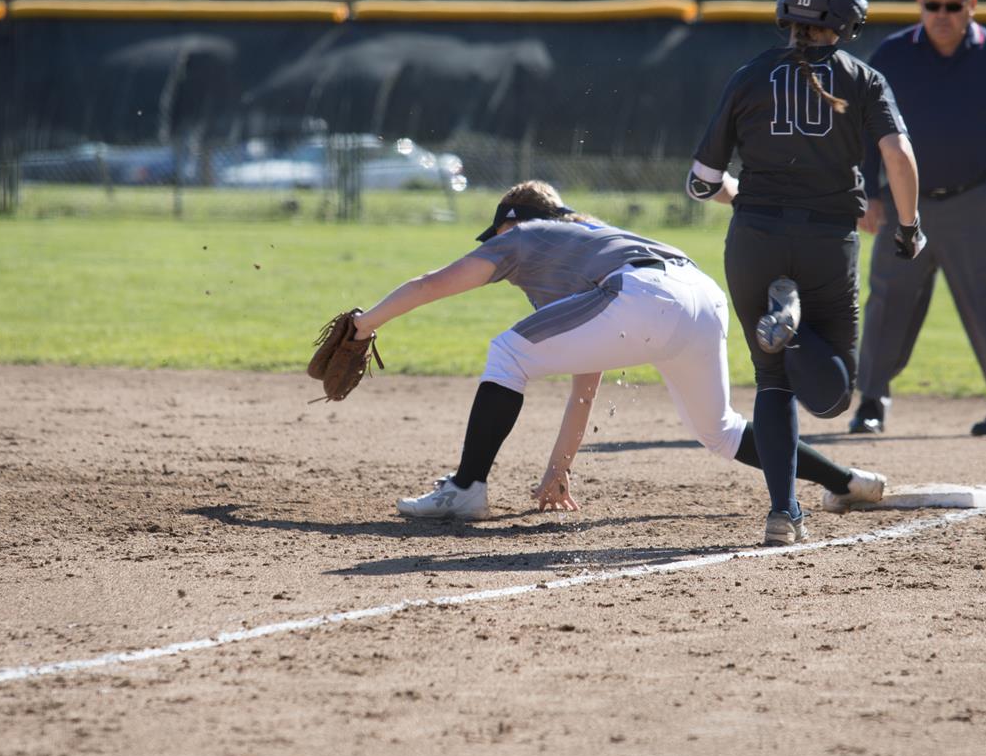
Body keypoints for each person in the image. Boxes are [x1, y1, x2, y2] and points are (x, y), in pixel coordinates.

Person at [346, 180, 881, 527]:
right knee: (721, 431)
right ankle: (847, 482)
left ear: (514, 220)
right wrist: (559, 468)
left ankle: (466, 487)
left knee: (507, 355)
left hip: (645, 294)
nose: (496, 242)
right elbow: (587, 381)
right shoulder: (592, 241)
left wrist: (364, 325)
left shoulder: (524, 235)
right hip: (700, 296)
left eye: (499, 230)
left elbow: (430, 283)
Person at [686, 0, 924, 546]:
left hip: (753, 241)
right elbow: (898, 156)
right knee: (834, 395)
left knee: (772, 385)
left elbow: (702, 182)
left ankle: (782, 514)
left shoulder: (748, 75)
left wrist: (744, 195)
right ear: (848, 16)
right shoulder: (863, 78)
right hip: (825, 242)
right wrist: (909, 227)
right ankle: (793, 334)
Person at [848, 0, 986, 438]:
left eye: (954, 5)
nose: (943, 14)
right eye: (933, 4)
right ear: (920, 5)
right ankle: (871, 402)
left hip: (973, 201)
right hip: (905, 205)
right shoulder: (893, 55)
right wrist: (866, 192)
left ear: (972, 6)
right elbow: (863, 130)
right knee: (887, 301)